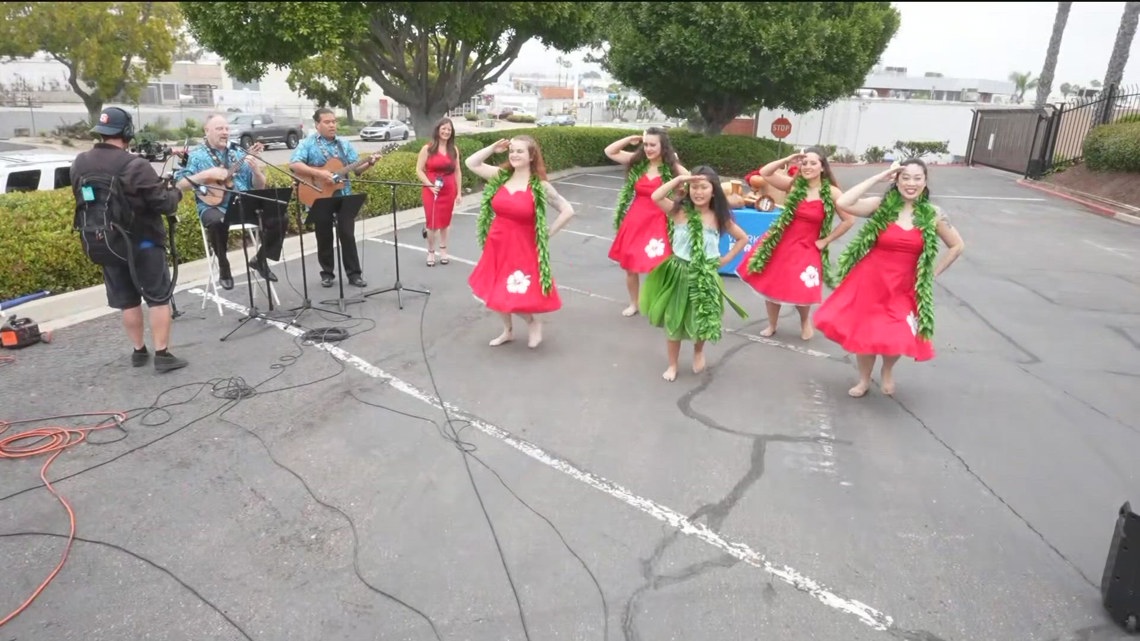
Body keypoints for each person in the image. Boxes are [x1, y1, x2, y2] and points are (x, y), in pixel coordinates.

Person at [813, 159, 965, 398]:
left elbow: (957, 246)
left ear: (925, 182)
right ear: (896, 180)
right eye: (905, 177)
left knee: (896, 333)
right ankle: (864, 380)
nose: (911, 183)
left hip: (904, 285)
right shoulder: (880, 205)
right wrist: (878, 177)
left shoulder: (933, 214)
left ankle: (887, 368)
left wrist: (931, 274)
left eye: (917, 178)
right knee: (866, 333)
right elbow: (843, 202)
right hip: (870, 281)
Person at [71, 106, 187, 372]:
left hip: (105, 240)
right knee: (158, 297)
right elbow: (163, 204)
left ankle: (138, 351)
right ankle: (163, 355)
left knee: (127, 300)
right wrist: (176, 191)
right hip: (143, 242)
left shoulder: (79, 162)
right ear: (127, 131)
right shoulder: (135, 165)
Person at [464, 136, 576, 349]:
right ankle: (507, 331)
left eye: (520, 151)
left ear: (531, 156)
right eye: (512, 151)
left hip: (522, 247)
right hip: (497, 245)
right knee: (494, 290)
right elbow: (471, 163)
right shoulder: (501, 176)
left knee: (514, 291)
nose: (514, 155)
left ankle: (532, 321)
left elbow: (567, 210)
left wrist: (547, 234)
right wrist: (493, 148)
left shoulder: (540, 186)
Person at [640, 166, 749, 382]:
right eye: (694, 187)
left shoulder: (719, 217)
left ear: (714, 190)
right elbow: (656, 196)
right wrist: (679, 179)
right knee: (674, 319)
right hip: (679, 273)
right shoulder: (678, 211)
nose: (698, 192)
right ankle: (672, 364)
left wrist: (726, 259)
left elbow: (743, 238)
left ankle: (698, 351)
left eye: (703, 187)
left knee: (702, 317)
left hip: (705, 275)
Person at [734, 147, 854, 341]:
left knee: (802, 286)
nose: (807, 167)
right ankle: (772, 324)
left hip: (808, 245)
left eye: (813, 163)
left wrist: (826, 240)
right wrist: (788, 159)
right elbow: (765, 173)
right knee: (771, 283)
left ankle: (805, 322)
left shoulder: (832, 192)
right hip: (782, 241)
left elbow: (849, 220)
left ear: (823, 167)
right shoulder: (794, 185)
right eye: (804, 163)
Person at [175, 113, 276, 291]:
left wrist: (256, 171)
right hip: (213, 206)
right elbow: (180, 184)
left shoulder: (239, 153)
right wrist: (206, 174)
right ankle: (224, 266)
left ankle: (260, 259)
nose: (225, 132)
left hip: (243, 203)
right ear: (207, 131)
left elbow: (258, 185)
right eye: (219, 128)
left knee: (279, 216)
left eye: (227, 128)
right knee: (216, 222)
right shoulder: (195, 156)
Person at [289, 107, 380, 289]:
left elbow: (356, 169)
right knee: (324, 236)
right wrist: (320, 174)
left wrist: (369, 163)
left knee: (347, 235)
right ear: (317, 124)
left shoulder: (344, 144)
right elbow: (294, 164)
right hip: (319, 196)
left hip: (344, 196)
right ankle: (327, 273)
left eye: (334, 121)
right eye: (327, 122)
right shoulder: (307, 144)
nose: (332, 125)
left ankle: (354, 274)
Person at [604, 127, 689, 317]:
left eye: (653, 145)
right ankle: (634, 303)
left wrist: (680, 195)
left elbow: (690, 181)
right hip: (635, 219)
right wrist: (630, 139)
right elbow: (610, 151)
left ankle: (659, 303)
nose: (648, 149)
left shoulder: (672, 168)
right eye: (646, 144)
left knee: (659, 265)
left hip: (659, 220)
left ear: (663, 146)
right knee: (630, 266)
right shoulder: (638, 162)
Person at [416, 117, 462, 267]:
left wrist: (459, 192)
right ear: (438, 130)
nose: (446, 132)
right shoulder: (427, 149)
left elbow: (457, 171)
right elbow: (419, 170)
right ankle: (431, 251)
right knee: (432, 223)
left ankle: (443, 250)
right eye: (444, 128)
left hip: (448, 189)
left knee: (445, 222)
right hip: (431, 190)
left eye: (449, 129)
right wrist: (429, 185)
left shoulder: (453, 149)